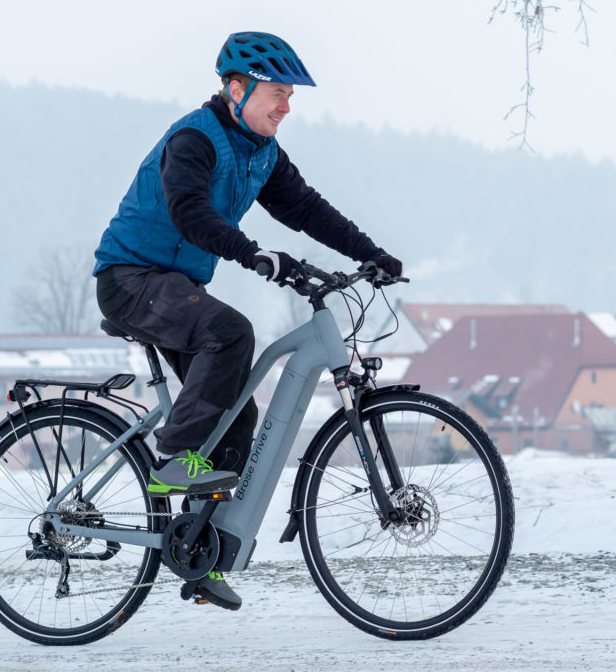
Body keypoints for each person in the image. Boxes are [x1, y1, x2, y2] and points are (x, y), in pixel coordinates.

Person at [92, 31, 402, 610]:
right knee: (230, 333)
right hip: (131, 281)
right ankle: (170, 462)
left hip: (176, 287)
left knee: (239, 408)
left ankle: (202, 548)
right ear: (236, 89)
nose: (286, 106)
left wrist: (370, 254)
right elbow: (191, 215)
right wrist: (256, 254)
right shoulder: (195, 139)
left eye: (290, 95)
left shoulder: (261, 151)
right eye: (277, 93)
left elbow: (306, 209)